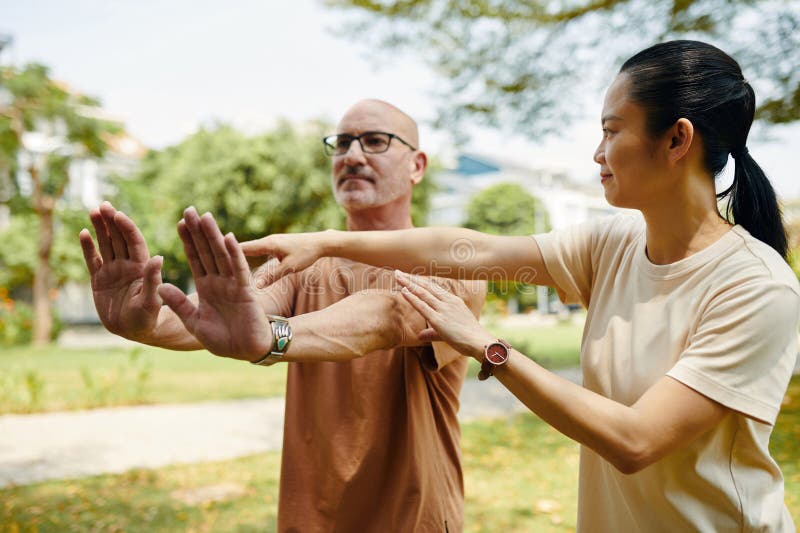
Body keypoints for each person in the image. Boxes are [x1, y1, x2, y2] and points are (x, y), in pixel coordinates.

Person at [242, 41, 800, 531]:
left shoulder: (757, 288)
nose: (597, 154)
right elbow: (473, 251)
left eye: (611, 132)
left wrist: (487, 346)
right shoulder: (613, 245)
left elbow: (636, 442)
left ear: (677, 140)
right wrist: (325, 242)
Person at [78, 99, 485, 532]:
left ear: (417, 166)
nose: (351, 155)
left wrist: (274, 337)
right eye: (342, 143)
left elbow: (388, 315)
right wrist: (147, 323)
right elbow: (220, 319)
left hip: (412, 518)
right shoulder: (300, 265)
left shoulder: (453, 264)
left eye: (374, 141)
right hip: (310, 518)